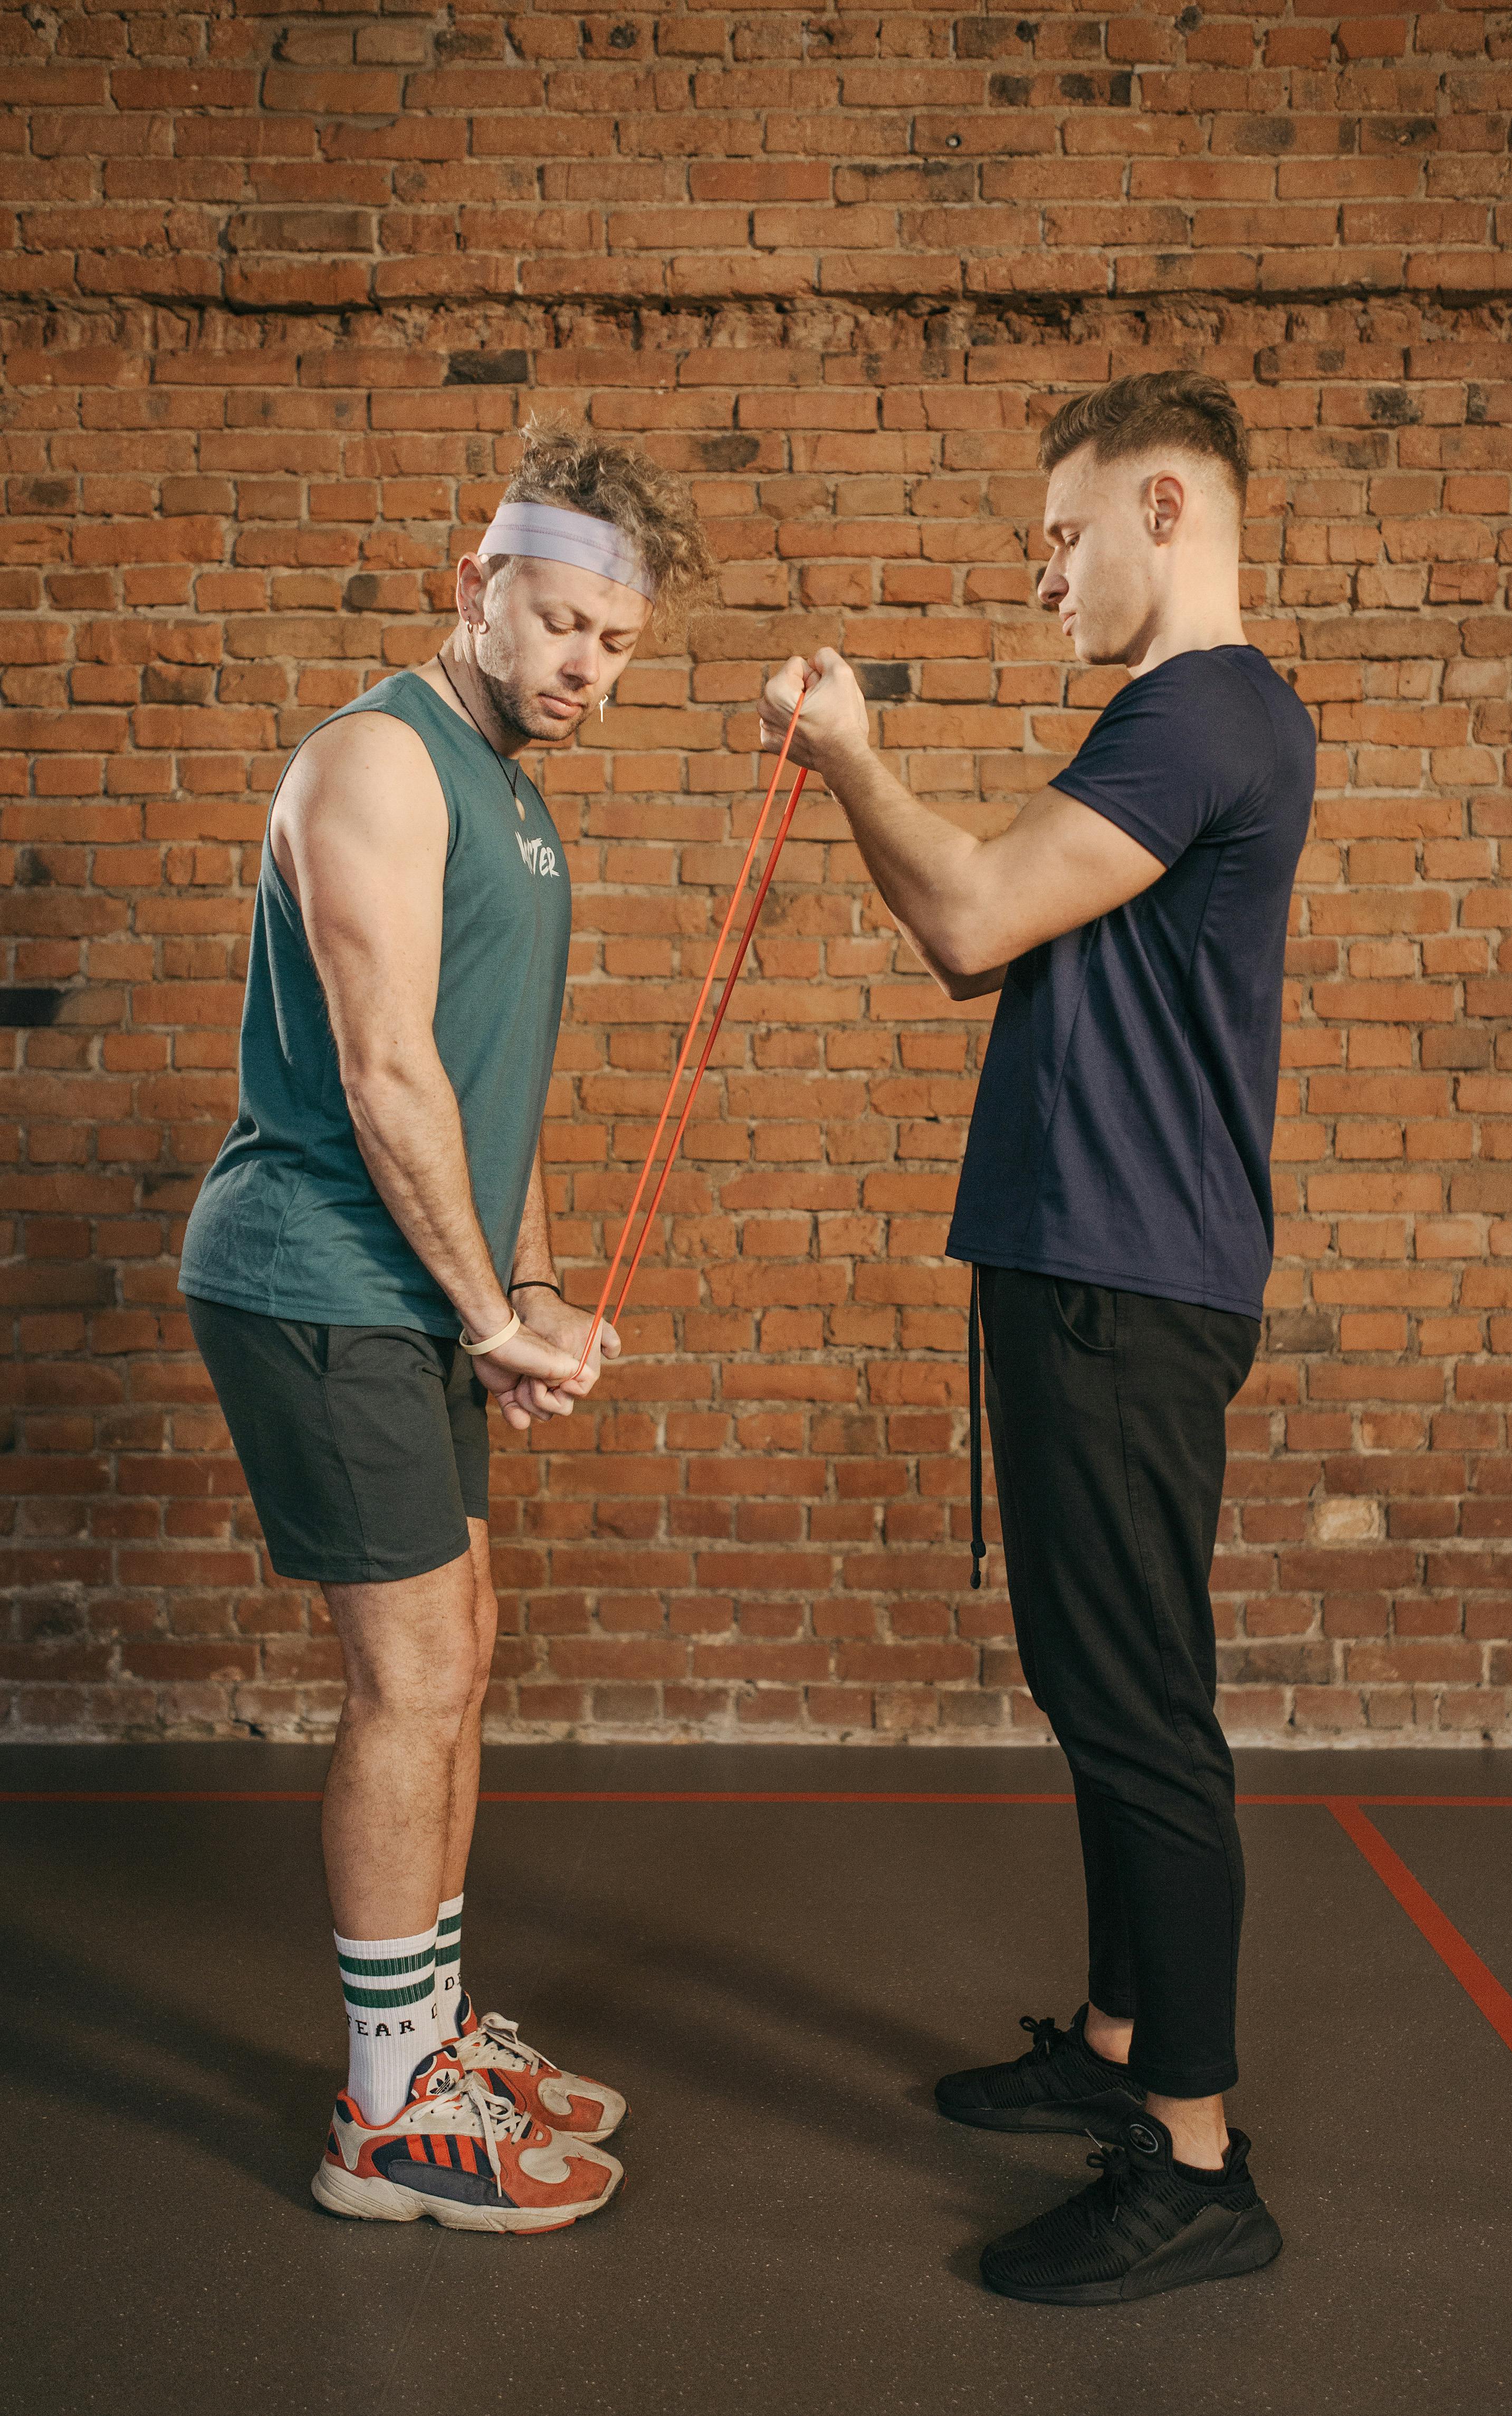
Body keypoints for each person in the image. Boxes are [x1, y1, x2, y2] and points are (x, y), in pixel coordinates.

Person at [760, 371, 1313, 2306]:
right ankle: (1108, 2046)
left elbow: (977, 916)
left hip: (1124, 1278)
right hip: (1095, 1265)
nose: (1043, 574)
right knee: (1095, 1686)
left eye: (1062, 536)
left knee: (1139, 1705)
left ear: (1165, 506)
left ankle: (1194, 2156)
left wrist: (848, 751)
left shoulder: (1203, 709)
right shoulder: (1185, 717)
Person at [180, 422, 714, 2231]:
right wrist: (488, 1309)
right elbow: (386, 1067)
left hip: (417, 1286)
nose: (585, 668)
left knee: (460, 1647)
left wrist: (535, 1291)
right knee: (409, 1674)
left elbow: (497, 1102)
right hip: (318, 1275)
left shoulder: (516, 797)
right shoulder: (377, 767)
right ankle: (387, 2111)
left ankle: (431, 2030)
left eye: (616, 643)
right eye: (559, 623)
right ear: (470, 587)